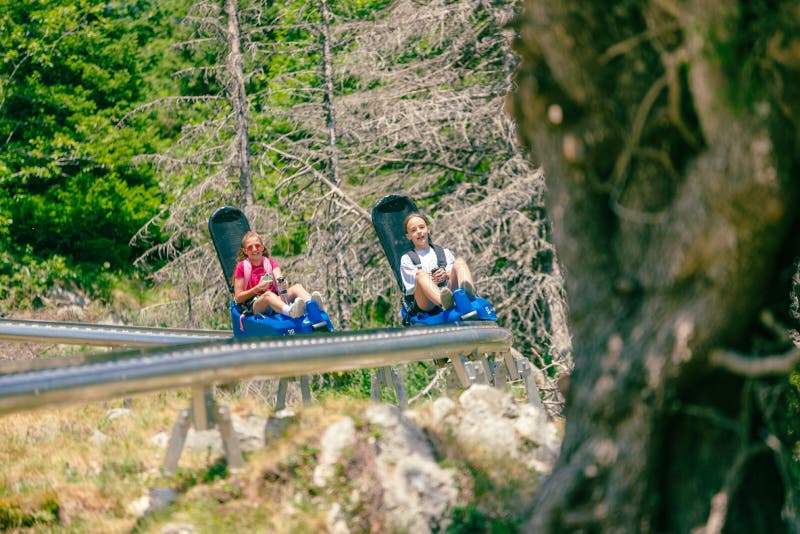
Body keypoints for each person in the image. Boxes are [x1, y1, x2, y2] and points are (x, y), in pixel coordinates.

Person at [233, 231, 323, 318]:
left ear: (262, 247)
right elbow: (238, 298)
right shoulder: (242, 267)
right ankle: (290, 311)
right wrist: (257, 289)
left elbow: (279, 277)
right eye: (250, 247)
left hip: (275, 299)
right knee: (268, 295)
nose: (254, 249)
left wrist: (282, 285)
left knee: (297, 287)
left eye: (257, 246)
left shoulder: (270, 264)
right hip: (255, 305)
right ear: (245, 251)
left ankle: (314, 306)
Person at [399, 212, 476, 312]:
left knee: (460, 262)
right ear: (408, 236)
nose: (419, 231)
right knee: (420, 274)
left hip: (447, 289)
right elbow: (411, 288)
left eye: (422, 227)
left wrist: (445, 274)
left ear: (428, 229)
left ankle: (467, 294)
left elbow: (451, 273)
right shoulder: (407, 259)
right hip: (425, 302)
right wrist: (430, 280)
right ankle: (444, 301)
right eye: (413, 230)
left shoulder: (444, 252)